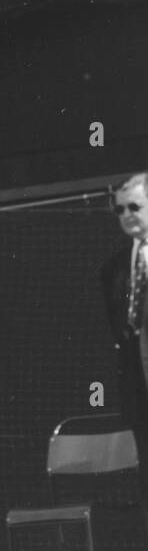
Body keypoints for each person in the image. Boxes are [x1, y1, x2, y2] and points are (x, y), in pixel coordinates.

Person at [100, 173, 148, 498]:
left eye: (135, 206)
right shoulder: (113, 269)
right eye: (120, 209)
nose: (128, 214)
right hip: (140, 394)